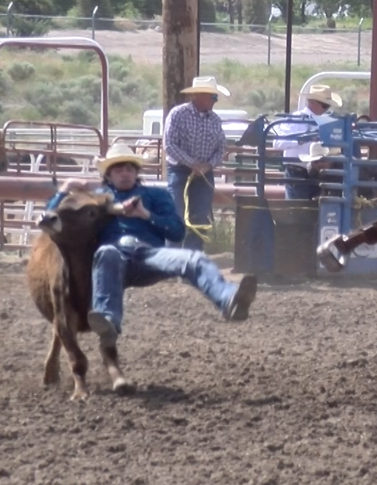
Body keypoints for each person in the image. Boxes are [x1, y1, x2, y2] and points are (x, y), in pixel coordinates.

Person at [54, 142, 256, 347]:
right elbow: (51, 217)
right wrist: (65, 189)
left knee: (194, 258)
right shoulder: (95, 200)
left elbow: (177, 232)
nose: (125, 174)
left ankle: (230, 300)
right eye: (119, 169)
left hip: (148, 255)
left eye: (130, 169)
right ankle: (107, 321)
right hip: (114, 259)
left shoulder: (156, 195)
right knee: (107, 252)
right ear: (108, 175)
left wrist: (146, 215)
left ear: (136, 172)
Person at [164, 75, 231, 252]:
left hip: (204, 174)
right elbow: (169, 144)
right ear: (200, 95)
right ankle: (172, 260)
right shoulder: (178, 114)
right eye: (214, 97)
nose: (216, 101)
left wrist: (208, 165)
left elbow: (221, 148)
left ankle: (192, 259)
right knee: (176, 216)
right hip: (179, 171)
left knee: (200, 218)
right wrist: (192, 163)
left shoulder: (215, 120)